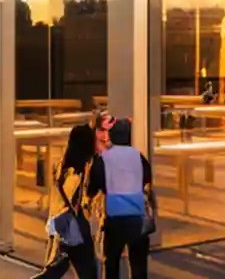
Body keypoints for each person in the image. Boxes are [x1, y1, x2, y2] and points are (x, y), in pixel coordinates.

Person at [88, 118, 155, 279]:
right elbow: (147, 178)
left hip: (115, 218)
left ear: (110, 136)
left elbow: (94, 184)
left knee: (112, 262)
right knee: (138, 265)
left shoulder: (104, 158)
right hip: (137, 217)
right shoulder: (138, 157)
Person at [32, 124, 98, 279]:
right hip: (75, 226)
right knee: (85, 272)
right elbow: (77, 201)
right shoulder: (77, 173)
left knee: (57, 269)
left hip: (63, 224)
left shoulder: (62, 165)